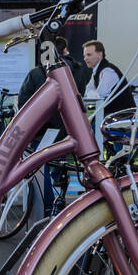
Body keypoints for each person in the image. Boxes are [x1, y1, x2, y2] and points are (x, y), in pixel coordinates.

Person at [18, 44, 93, 214]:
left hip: (45, 131)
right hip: (71, 129)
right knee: (73, 165)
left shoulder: (36, 74)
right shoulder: (77, 71)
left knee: (40, 167)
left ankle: (48, 207)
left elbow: (24, 103)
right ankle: (82, 205)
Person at [83, 39, 135, 115]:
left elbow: (99, 96)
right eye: (84, 56)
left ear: (100, 55)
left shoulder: (108, 72)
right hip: (113, 115)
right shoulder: (97, 71)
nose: (85, 58)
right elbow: (88, 91)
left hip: (121, 116)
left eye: (89, 55)